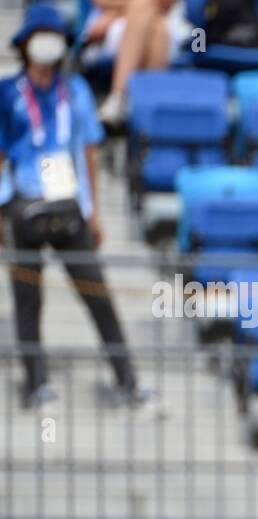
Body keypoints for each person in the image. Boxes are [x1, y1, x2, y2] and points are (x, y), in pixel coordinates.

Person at [0, 4, 156, 412]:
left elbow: (89, 151)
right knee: (28, 301)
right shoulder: (6, 94)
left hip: (70, 206)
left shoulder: (77, 91)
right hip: (23, 204)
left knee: (98, 295)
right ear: (25, 45)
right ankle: (36, 385)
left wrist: (94, 210)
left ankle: (128, 382)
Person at [84, 0, 186, 126]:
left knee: (159, 30)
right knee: (144, 12)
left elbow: (165, 3)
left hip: (163, 23)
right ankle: (135, 105)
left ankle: (122, 99)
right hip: (117, 27)